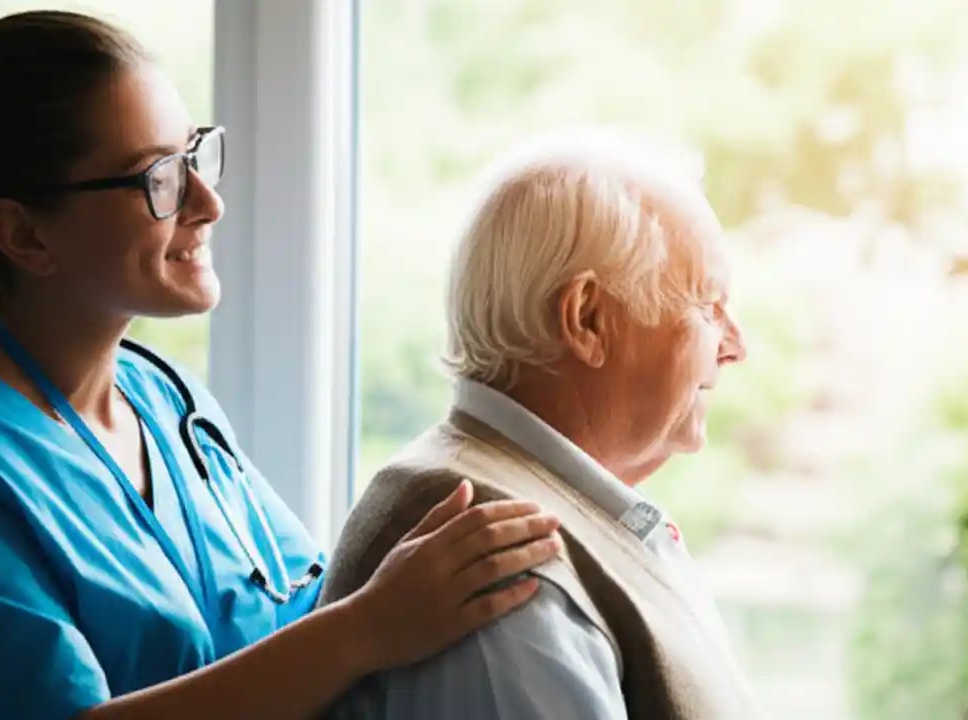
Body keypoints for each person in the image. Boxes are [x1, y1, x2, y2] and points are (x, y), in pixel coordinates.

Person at [0, 12, 564, 720]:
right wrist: (368, 628)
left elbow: (311, 610)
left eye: (195, 156)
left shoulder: (166, 401)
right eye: (158, 178)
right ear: (25, 234)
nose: (207, 202)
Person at [321, 137, 764, 719]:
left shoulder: (532, 508)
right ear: (587, 319)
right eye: (708, 306)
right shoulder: (501, 563)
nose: (736, 346)